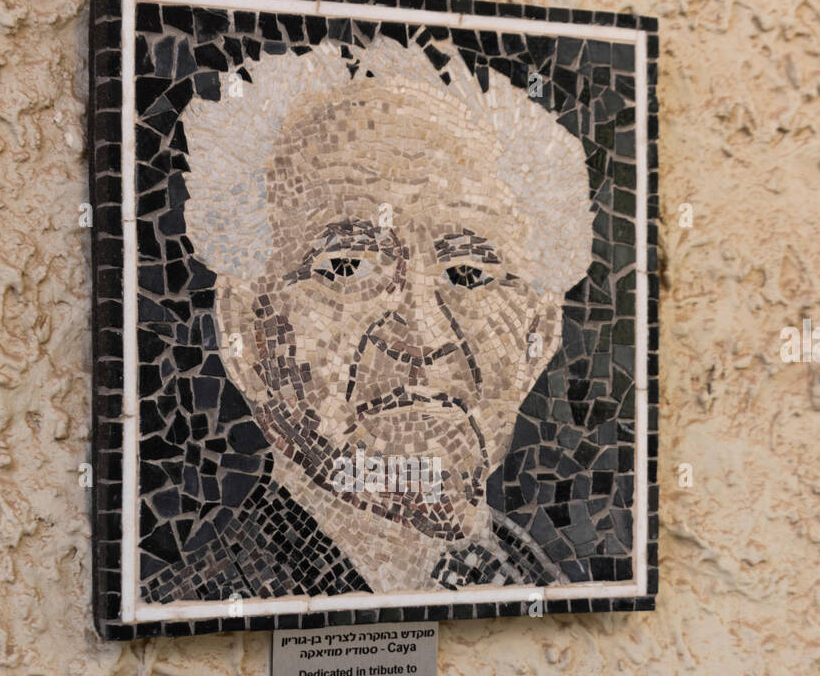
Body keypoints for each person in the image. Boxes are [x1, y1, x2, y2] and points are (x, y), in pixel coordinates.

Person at [141, 35, 595, 603]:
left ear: (538, 335)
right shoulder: (199, 604)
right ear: (245, 334)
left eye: (470, 274)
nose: (423, 333)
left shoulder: (545, 591)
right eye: (347, 266)